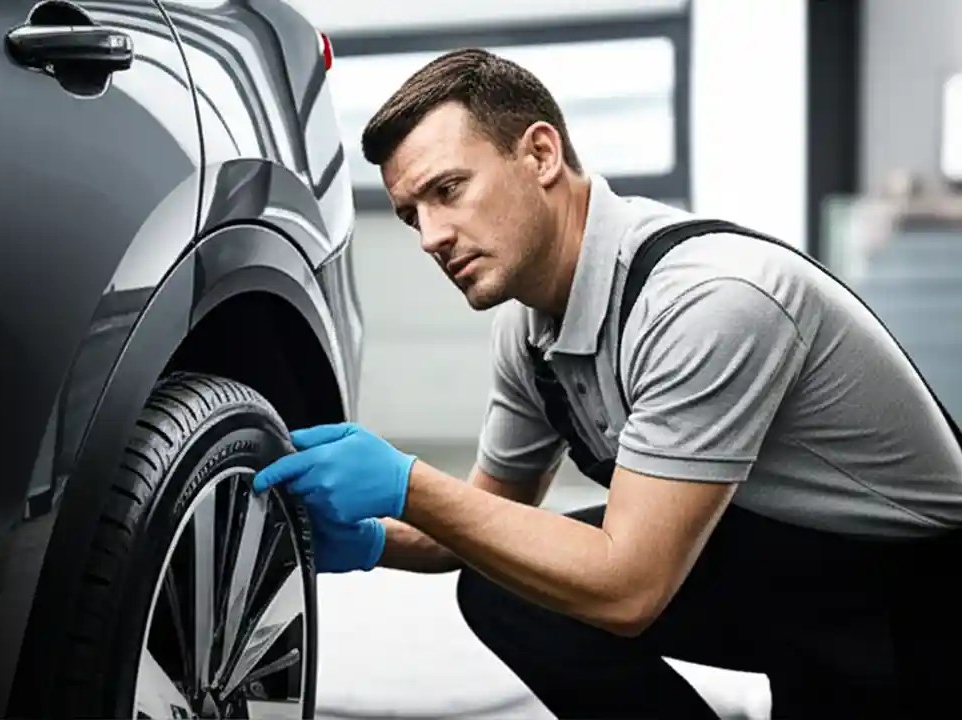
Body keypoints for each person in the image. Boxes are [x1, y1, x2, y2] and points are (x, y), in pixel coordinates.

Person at [253, 48, 962, 718]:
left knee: (575, 578)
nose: (430, 236)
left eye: (448, 190)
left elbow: (630, 589)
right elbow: (474, 525)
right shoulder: (530, 332)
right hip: (799, 584)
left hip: (913, 608)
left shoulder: (708, 299)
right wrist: (374, 540)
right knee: (505, 587)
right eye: (412, 214)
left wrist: (407, 482)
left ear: (540, 154)